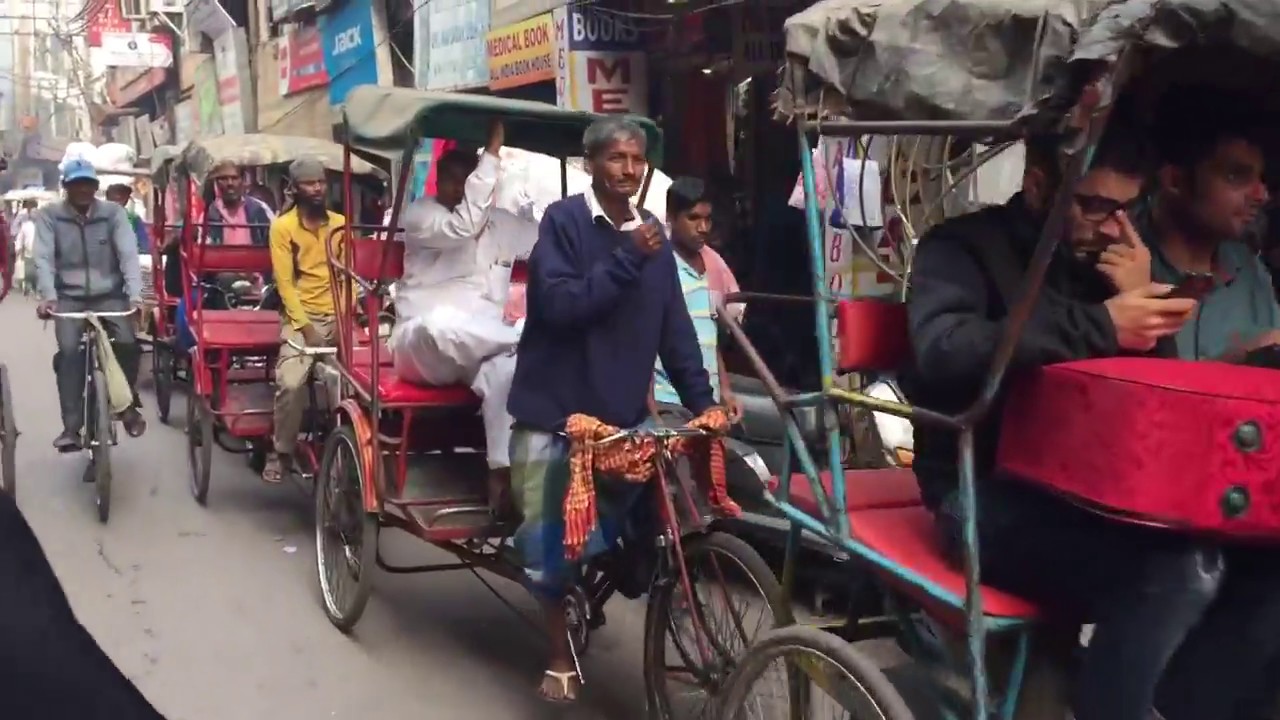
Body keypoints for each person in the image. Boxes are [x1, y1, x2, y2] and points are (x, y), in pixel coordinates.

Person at [899, 119, 1214, 720]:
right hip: (981, 487)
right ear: (1040, 186)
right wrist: (1102, 324)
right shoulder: (962, 248)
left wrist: (1145, 305)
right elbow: (943, 351)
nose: (1114, 226)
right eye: (1095, 206)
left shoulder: (1107, 264)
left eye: (1127, 209)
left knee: (1241, 563)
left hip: (1095, 488)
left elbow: (1159, 400)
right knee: (1173, 570)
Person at [508, 117, 716, 703]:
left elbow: (676, 332)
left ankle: (614, 581)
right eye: (616, 158)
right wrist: (626, 257)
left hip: (620, 419)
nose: (628, 170)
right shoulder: (565, 222)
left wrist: (704, 405)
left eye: (637, 159)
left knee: (653, 527)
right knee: (549, 542)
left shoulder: (653, 237)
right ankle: (557, 652)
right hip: (557, 415)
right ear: (590, 164)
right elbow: (559, 306)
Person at [1128, 90, 1280, 720]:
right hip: (1152, 492)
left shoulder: (1248, 269)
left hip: (1246, 485)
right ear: (1174, 180)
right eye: (1236, 176)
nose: (1260, 194)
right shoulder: (1122, 259)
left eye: (1261, 178)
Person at [388, 120, 530, 515]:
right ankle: (525, 338)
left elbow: (548, 236)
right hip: (424, 349)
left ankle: (500, 472)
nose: (460, 189)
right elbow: (463, 226)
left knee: (508, 370)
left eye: (467, 181)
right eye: (452, 181)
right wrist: (492, 154)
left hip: (482, 347)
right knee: (440, 325)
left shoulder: (503, 222)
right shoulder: (421, 216)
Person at [34, 159, 147, 450]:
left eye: (88, 184)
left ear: (96, 187)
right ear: (66, 187)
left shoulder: (113, 214)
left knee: (128, 343)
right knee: (69, 354)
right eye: (76, 184)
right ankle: (71, 428)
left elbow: (128, 254)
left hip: (110, 294)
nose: (83, 189)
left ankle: (126, 404)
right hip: (68, 298)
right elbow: (43, 259)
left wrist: (136, 295)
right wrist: (48, 296)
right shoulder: (49, 216)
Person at [262, 158, 344, 483]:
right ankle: (281, 451)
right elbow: (284, 285)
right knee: (291, 383)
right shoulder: (283, 227)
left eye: (321, 182)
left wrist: (346, 316)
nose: (317, 188)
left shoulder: (340, 224)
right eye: (310, 183)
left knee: (366, 381)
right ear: (294, 189)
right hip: (301, 319)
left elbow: (349, 278)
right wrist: (307, 329)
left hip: (339, 317)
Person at [651, 176, 742, 421]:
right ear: (671, 217)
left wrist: (725, 391)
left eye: (707, 219)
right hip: (668, 399)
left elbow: (711, 336)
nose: (703, 227)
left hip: (706, 402)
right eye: (693, 218)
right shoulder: (660, 265)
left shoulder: (713, 264)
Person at [105, 183, 150, 254]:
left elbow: (144, 245)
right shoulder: (96, 217)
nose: (118, 202)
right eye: (115, 199)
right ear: (107, 198)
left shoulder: (134, 219)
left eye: (121, 198)